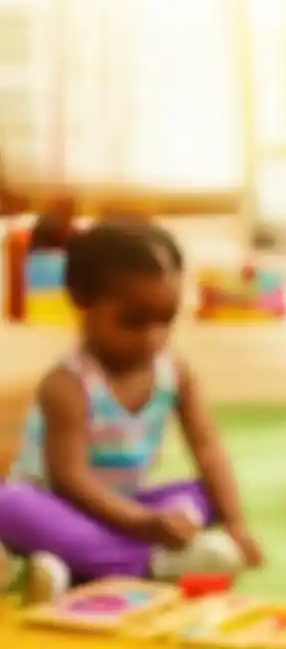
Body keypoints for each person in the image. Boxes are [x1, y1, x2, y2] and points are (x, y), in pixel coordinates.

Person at [0, 221, 263, 598]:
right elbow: (69, 480)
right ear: (81, 300)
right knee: (9, 503)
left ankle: (72, 570)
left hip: (125, 509)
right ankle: (152, 565)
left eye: (165, 320)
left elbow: (208, 449)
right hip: (59, 506)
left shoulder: (175, 373)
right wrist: (144, 525)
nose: (152, 338)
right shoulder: (68, 385)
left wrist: (235, 524)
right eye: (133, 322)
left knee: (200, 493)